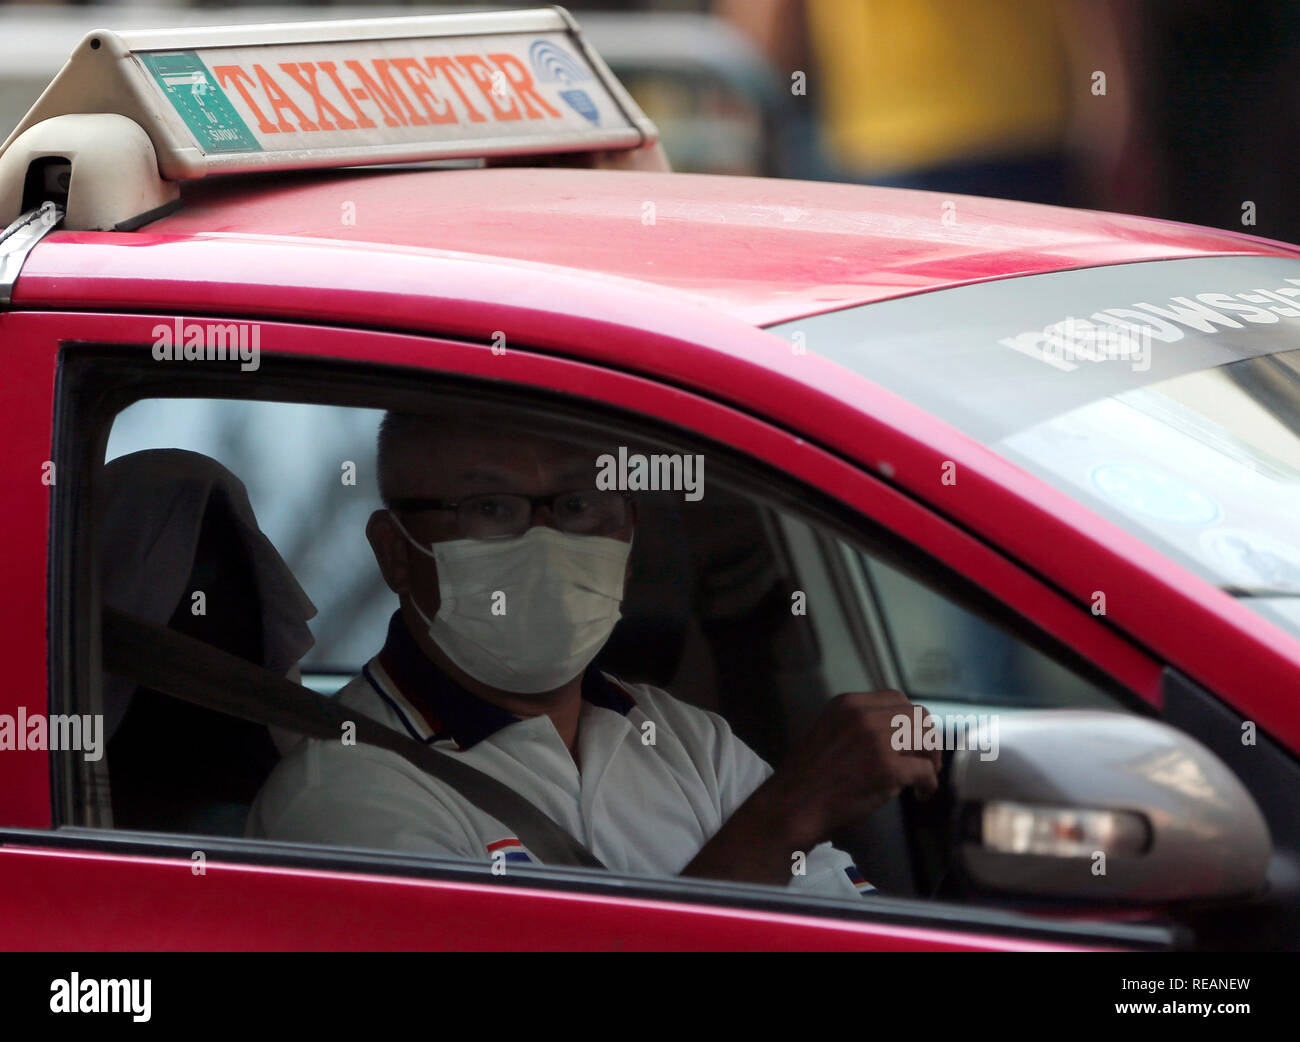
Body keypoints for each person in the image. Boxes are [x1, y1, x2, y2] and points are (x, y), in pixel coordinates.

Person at [248, 411, 940, 897]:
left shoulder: (689, 742)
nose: (545, 541)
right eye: (491, 508)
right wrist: (784, 819)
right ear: (397, 552)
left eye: (578, 505)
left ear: (627, 534)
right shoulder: (343, 797)